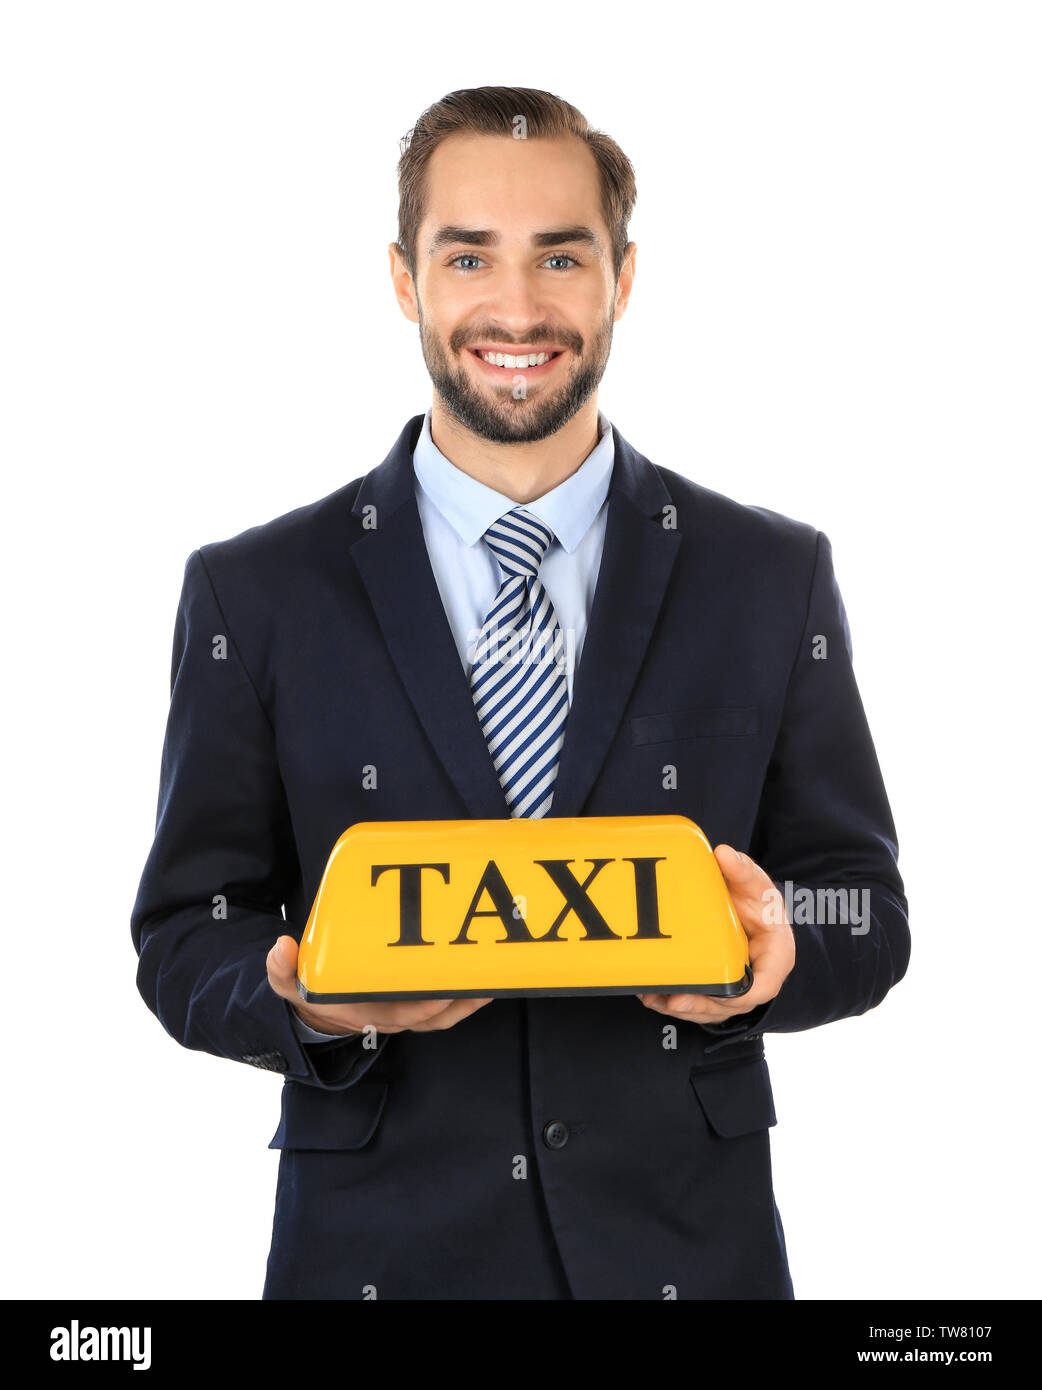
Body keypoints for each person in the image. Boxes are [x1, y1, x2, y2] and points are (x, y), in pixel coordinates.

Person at [131, 85, 910, 1300]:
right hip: (374, 1260)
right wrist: (314, 1007)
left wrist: (779, 948)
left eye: (560, 255)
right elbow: (184, 935)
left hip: (685, 1258)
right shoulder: (253, 594)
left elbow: (864, 907)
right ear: (404, 280)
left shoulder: (770, 576)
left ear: (623, 276)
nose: (516, 307)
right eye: (467, 256)